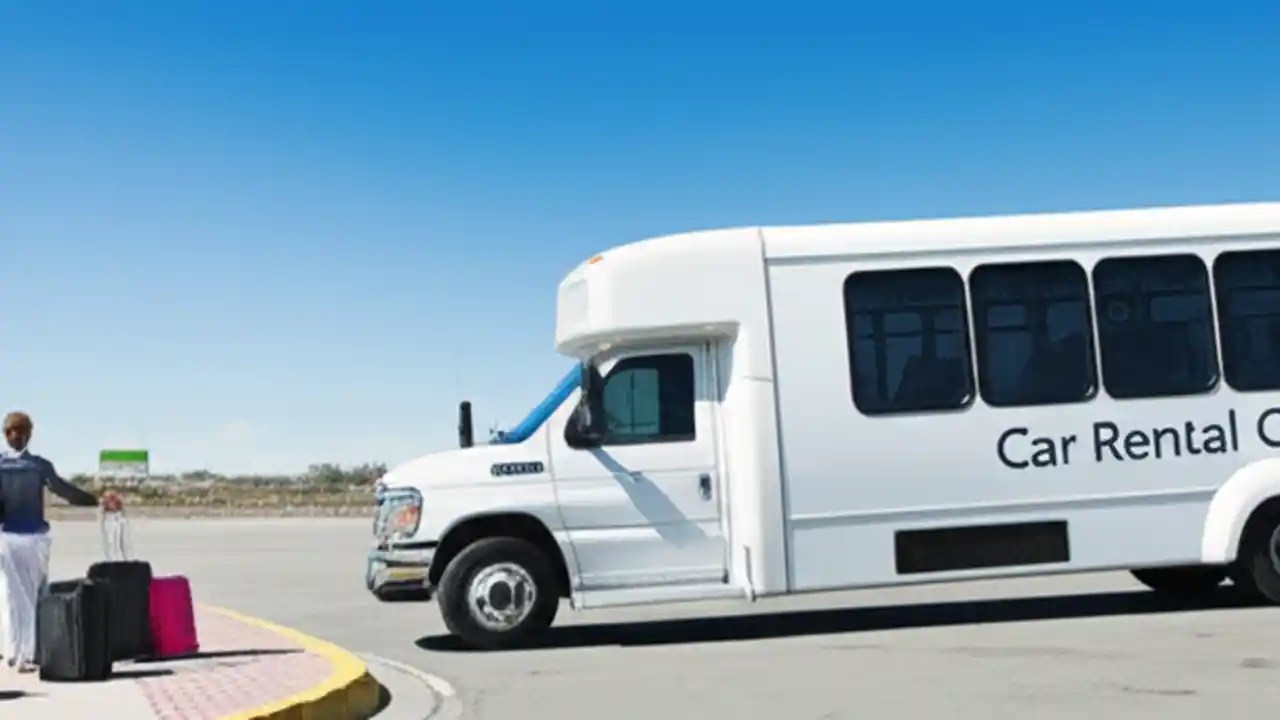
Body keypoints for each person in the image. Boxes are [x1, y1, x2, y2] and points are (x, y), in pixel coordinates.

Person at [0, 411, 100, 672]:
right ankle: (29, 653)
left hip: (9, 538)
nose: (16, 436)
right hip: (33, 538)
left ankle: (14, 651)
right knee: (34, 595)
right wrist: (94, 500)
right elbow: (64, 490)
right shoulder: (39, 465)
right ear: (29, 435)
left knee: (12, 595)